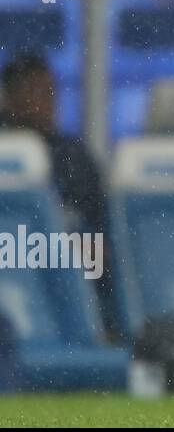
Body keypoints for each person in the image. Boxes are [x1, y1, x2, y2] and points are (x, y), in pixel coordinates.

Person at [0, 52, 118, 339]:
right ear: (10, 98)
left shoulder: (74, 157)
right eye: (35, 91)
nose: (47, 101)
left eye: (51, 91)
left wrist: (78, 250)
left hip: (70, 280)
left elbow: (100, 235)